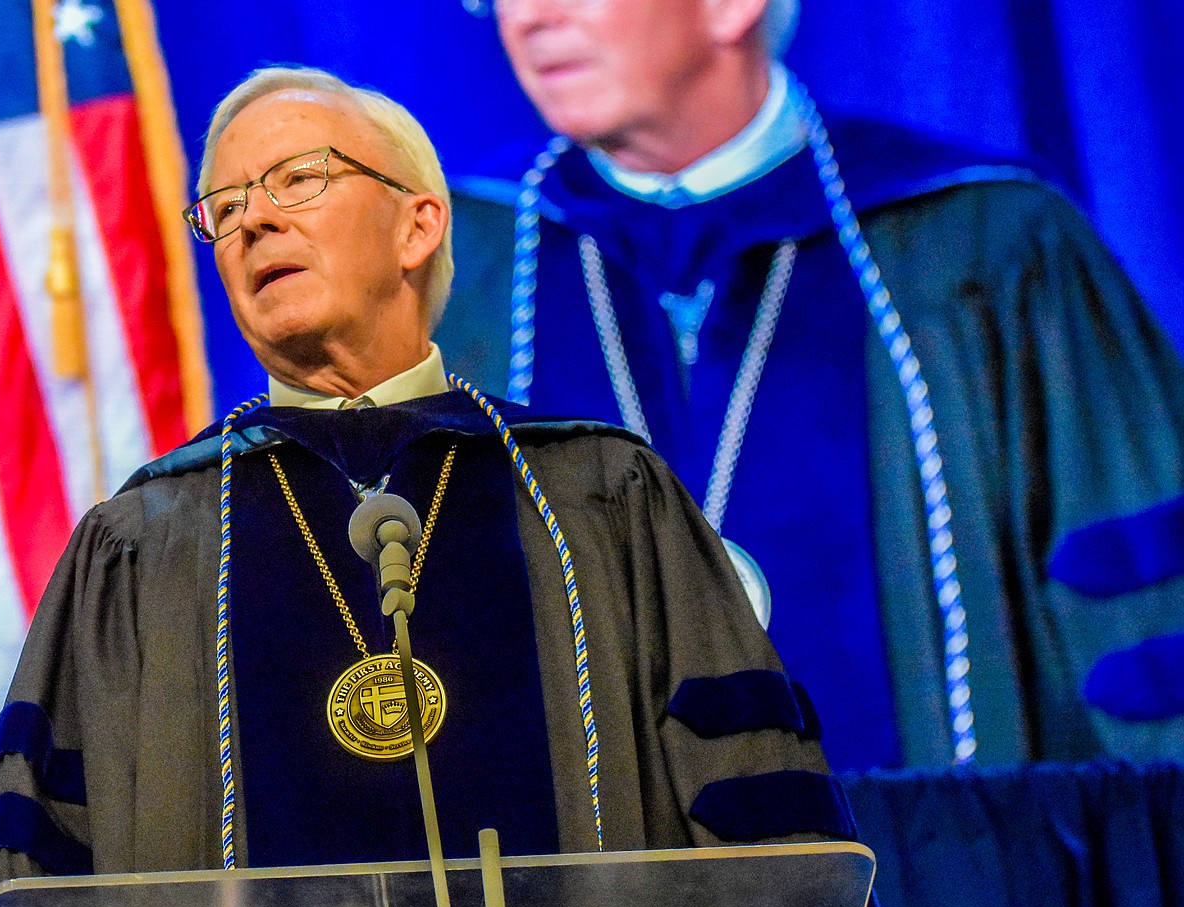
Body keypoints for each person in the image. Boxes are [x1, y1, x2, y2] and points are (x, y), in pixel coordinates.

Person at [0, 67, 930, 907]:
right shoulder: (146, 545)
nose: (253, 221)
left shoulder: (598, 498)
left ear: (419, 225)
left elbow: (756, 806)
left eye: (297, 179)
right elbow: (33, 862)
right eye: (223, 205)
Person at [436, 0, 1184, 771]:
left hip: (934, 864)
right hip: (594, 881)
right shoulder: (463, 268)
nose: (529, 18)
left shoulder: (978, 241)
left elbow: (1141, 630)